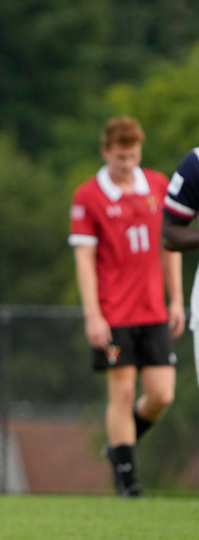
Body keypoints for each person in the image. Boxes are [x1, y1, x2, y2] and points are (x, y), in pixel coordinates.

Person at [70, 117, 183, 498]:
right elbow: (85, 261)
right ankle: (127, 480)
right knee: (121, 391)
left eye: (133, 157)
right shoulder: (89, 196)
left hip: (154, 311)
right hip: (114, 313)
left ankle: (119, 447)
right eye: (120, 157)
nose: (127, 164)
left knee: (162, 394)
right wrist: (93, 315)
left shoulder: (159, 186)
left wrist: (178, 299)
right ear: (106, 152)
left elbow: (171, 246)